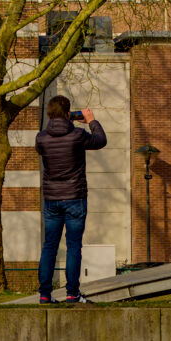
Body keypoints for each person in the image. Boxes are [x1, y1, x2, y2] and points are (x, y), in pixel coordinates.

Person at [35, 95, 106, 304]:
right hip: (75, 197)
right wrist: (91, 120)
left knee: (50, 245)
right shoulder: (78, 135)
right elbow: (101, 140)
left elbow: (44, 147)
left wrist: (65, 122)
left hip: (51, 199)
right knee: (74, 245)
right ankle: (72, 293)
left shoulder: (41, 138)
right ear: (68, 113)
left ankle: (45, 294)